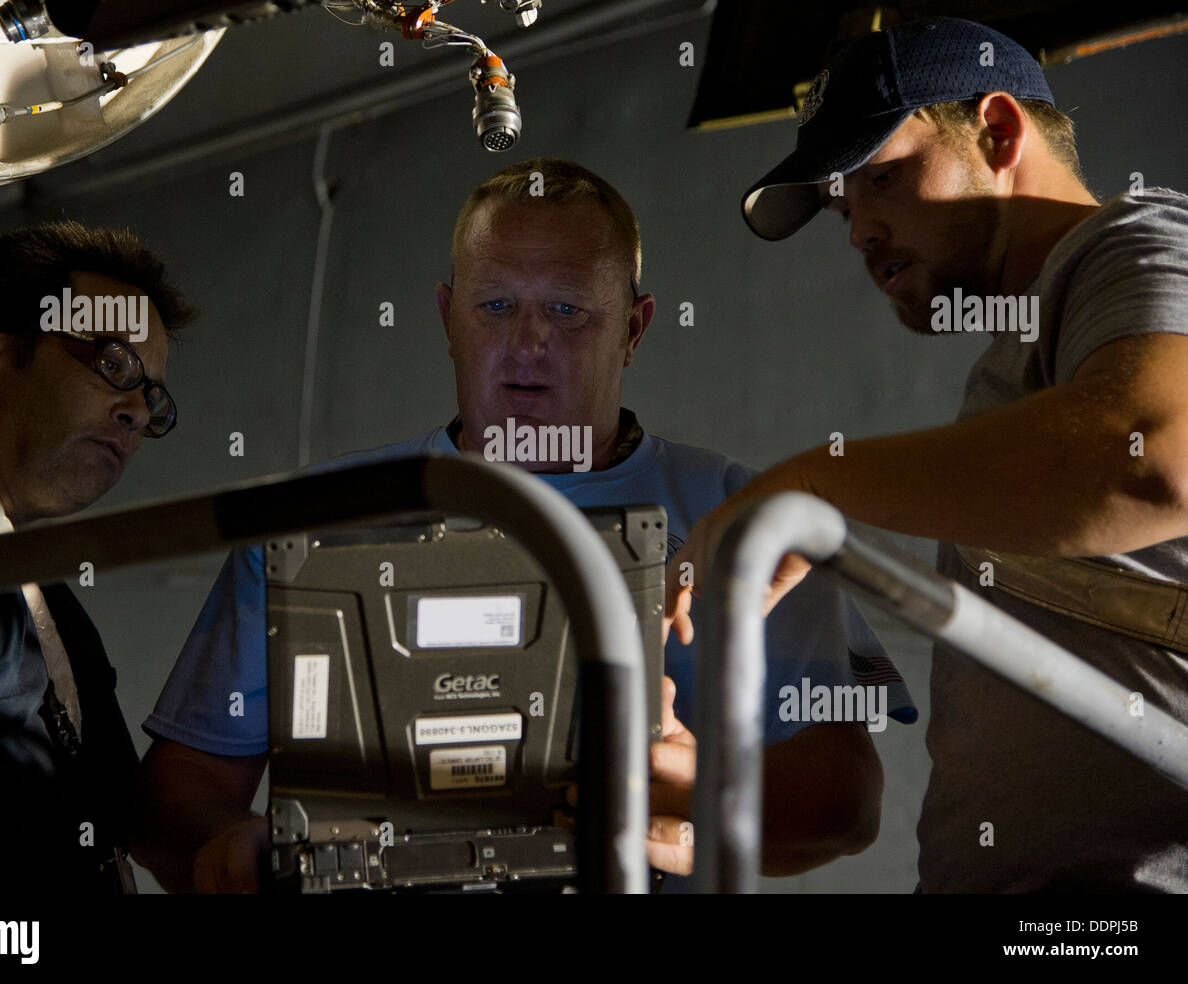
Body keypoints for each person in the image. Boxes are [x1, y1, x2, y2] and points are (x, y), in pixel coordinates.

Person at [133, 158, 914, 893]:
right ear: (448, 317)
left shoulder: (744, 516)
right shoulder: (312, 519)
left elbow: (846, 804)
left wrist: (696, 788)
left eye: (569, 311)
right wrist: (235, 850)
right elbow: (180, 793)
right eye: (496, 305)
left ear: (634, 330)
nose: (528, 345)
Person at [670, 17, 1188, 892]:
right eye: (843, 201)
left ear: (998, 131)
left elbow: (1154, 458)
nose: (858, 231)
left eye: (883, 177)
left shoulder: (1136, 242)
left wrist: (815, 484)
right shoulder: (1021, 362)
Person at [0, 221, 194, 893]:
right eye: (113, 364)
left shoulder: (63, 617)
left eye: (154, 398)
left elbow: (141, 823)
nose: (138, 412)